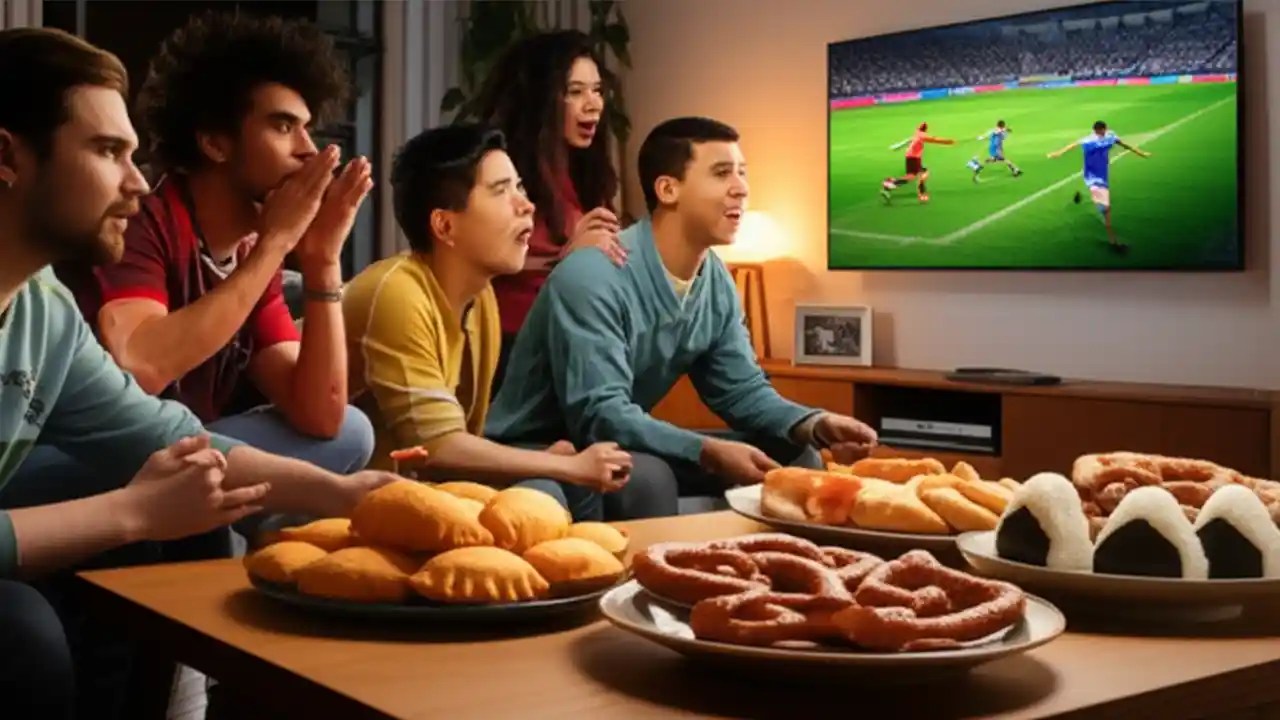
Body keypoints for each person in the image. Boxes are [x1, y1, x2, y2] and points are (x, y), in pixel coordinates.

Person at [0, 28, 395, 719]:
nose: (135, 181)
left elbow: (283, 421)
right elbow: (144, 364)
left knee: (224, 471)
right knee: (26, 633)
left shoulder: (43, 309)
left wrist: (350, 498)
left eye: (132, 152)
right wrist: (132, 513)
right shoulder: (156, 226)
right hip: (56, 477)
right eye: (105, 151)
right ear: (6, 158)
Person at [486, 117, 880, 515]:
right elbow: (601, 415)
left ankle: (761, 572)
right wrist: (705, 450)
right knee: (648, 477)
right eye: (722, 173)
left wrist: (814, 423)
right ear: (668, 189)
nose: (741, 188)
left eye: (742, 173)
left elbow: (741, 391)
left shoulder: (716, 282)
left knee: (796, 456)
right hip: (541, 449)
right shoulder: (593, 275)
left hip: (616, 442)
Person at [53, 11, 376, 492]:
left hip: (178, 448)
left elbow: (321, 414)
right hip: (83, 454)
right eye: (284, 126)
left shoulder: (252, 251)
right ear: (214, 143)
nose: (309, 150)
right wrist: (275, 245)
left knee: (352, 430)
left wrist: (322, 262)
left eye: (308, 129)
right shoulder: (141, 215)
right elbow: (142, 365)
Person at [343, 124, 639, 521]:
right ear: (445, 225)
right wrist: (564, 465)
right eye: (502, 191)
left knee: (567, 484)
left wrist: (552, 464)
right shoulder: (398, 292)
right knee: (550, 486)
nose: (526, 205)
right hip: (344, 491)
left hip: (414, 485)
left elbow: (459, 443)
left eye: (520, 187)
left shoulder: (480, 298)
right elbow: (441, 449)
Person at [472, 30, 628, 391]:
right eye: (575, 92)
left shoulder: (587, 176)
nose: (594, 105)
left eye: (598, 90)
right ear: (541, 99)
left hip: (576, 340)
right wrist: (568, 260)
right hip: (511, 346)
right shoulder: (498, 170)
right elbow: (470, 262)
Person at [1047, 120, 1152, 252]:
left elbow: (1124, 144)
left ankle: (1088, 201)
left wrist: (1140, 153)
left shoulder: (1110, 136)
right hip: (1092, 176)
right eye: (1099, 131)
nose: (1100, 132)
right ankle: (1113, 242)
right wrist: (1058, 153)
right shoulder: (1090, 140)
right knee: (1106, 208)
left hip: (1103, 175)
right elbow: (1074, 144)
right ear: (1098, 130)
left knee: (1106, 208)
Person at [882, 121, 954, 203]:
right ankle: (891, 184)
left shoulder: (917, 134)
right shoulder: (922, 135)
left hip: (912, 157)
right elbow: (933, 139)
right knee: (911, 176)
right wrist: (948, 142)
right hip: (914, 158)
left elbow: (908, 141)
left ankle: (921, 193)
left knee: (924, 172)